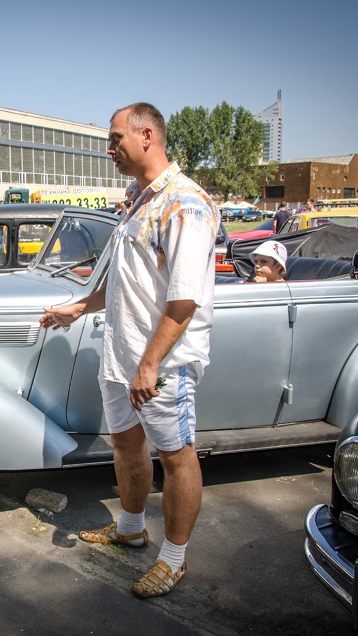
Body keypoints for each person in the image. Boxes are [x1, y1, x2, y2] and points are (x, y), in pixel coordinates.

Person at [40, 103, 219, 598]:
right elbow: (130, 282)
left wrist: (150, 364)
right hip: (124, 355)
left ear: (147, 136)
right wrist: (79, 307)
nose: (109, 148)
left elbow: (183, 303)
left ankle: (174, 558)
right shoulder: (139, 197)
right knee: (125, 444)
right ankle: (132, 527)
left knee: (177, 456)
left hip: (162, 363)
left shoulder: (185, 205)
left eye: (116, 138)